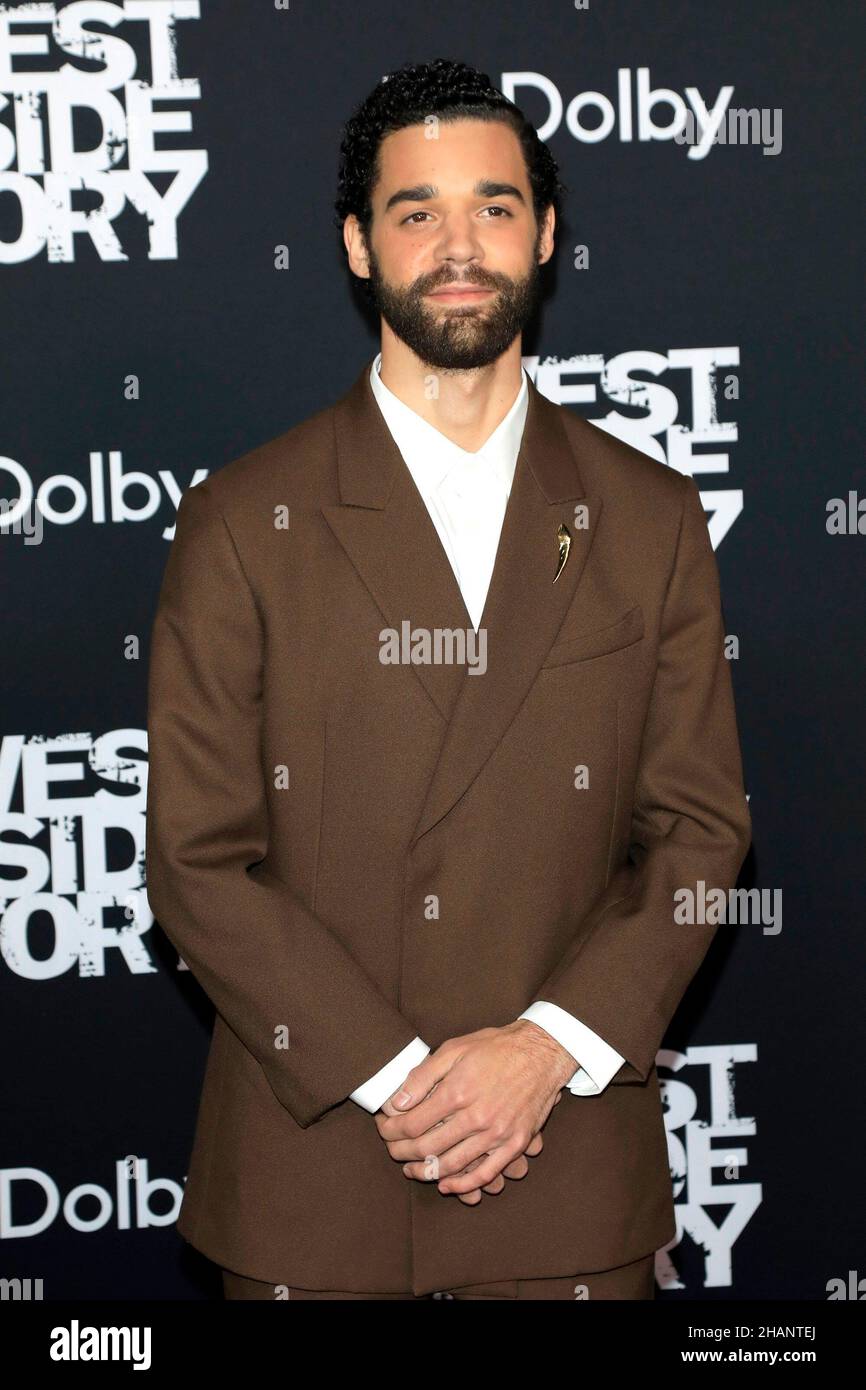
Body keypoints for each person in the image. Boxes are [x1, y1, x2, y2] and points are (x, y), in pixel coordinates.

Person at [145, 58, 751, 1301]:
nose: (458, 244)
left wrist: (543, 1049)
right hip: (314, 1177)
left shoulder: (648, 516)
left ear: (543, 236)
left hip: (567, 1166)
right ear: (359, 247)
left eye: (492, 206)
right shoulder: (240, 519)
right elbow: (196, 860)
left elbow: (697, 832)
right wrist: (399, 1079)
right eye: (416, 211)